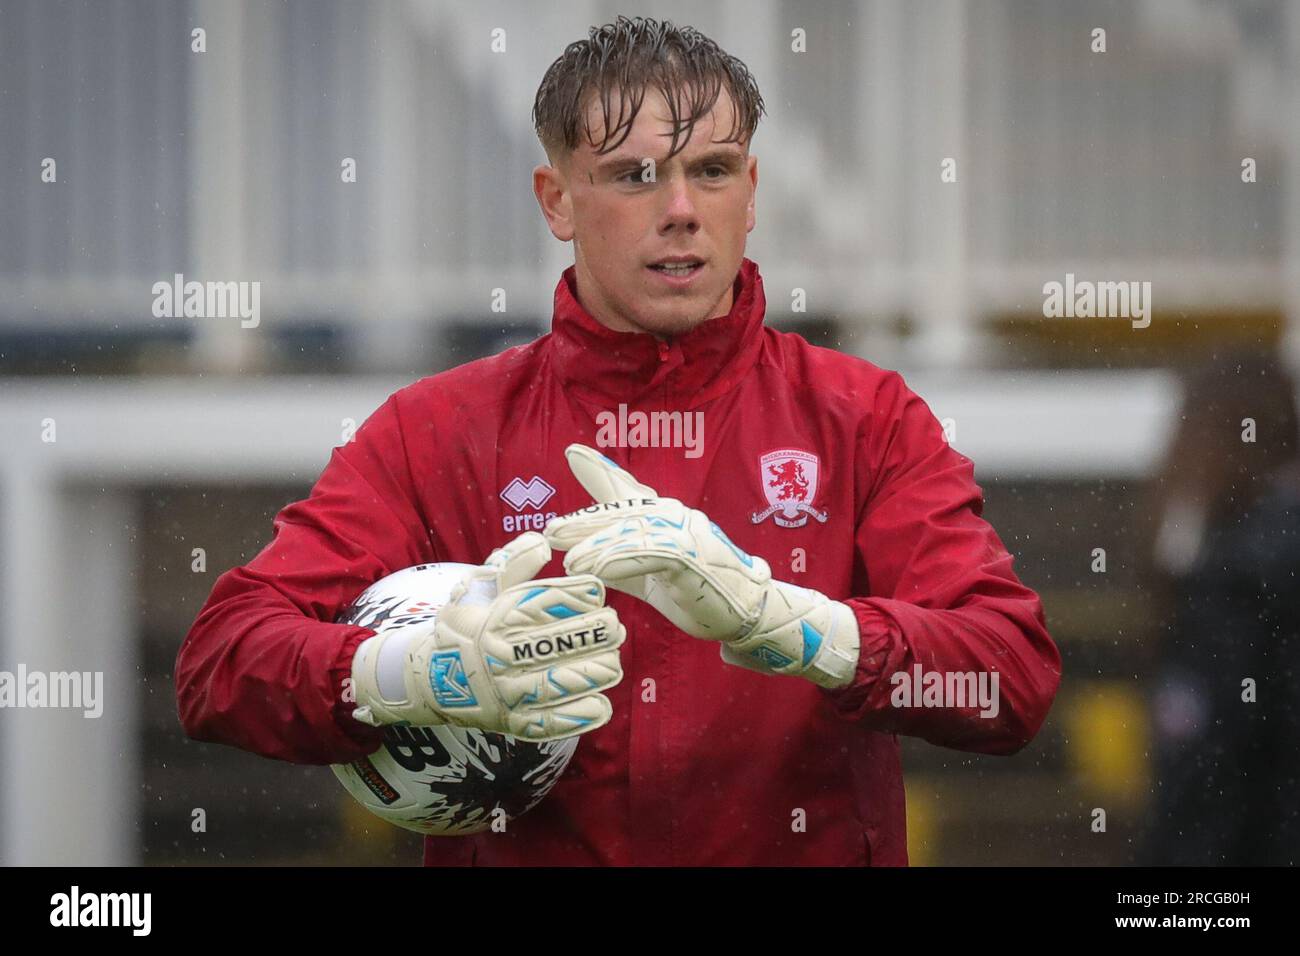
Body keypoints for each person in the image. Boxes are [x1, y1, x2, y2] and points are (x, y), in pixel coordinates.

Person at [176, 15, 1060, 866]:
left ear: (752, 193)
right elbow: (220, 664)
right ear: (556, 199)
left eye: (712, 171)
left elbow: (1008, 680)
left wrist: (790, 623)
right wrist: (422, 675)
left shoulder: (865, 416)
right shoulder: (438, 429)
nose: (680, 209)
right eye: (635, 175)